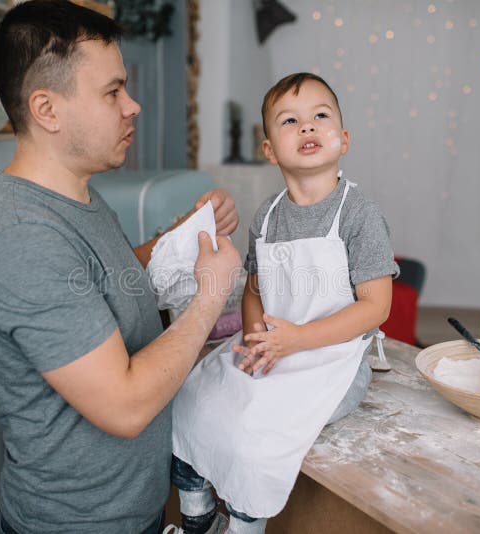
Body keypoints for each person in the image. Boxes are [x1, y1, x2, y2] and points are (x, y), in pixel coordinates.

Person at [0, 2, 241, 533]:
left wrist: (181, 236)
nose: (132, 106)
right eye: (113, 92)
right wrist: (210, 295)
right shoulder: (21, 237)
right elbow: (125, 407)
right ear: (47, 109)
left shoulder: (76, 198)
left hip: (132, 511)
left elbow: (100, 282)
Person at [168, 73, 399, 534]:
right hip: (274, 347)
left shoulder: (358, 214)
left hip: (333, 361)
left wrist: (298, 340)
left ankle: (243, 527)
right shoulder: (268, 215)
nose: (307, 126)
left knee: (260, 433)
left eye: (320, 116)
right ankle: (198, 521)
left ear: (343, 138)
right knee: (192, 397)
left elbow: (375, 308)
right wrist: (256, 337)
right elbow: (255, 288)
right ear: (270, 149)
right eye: (290, 121)